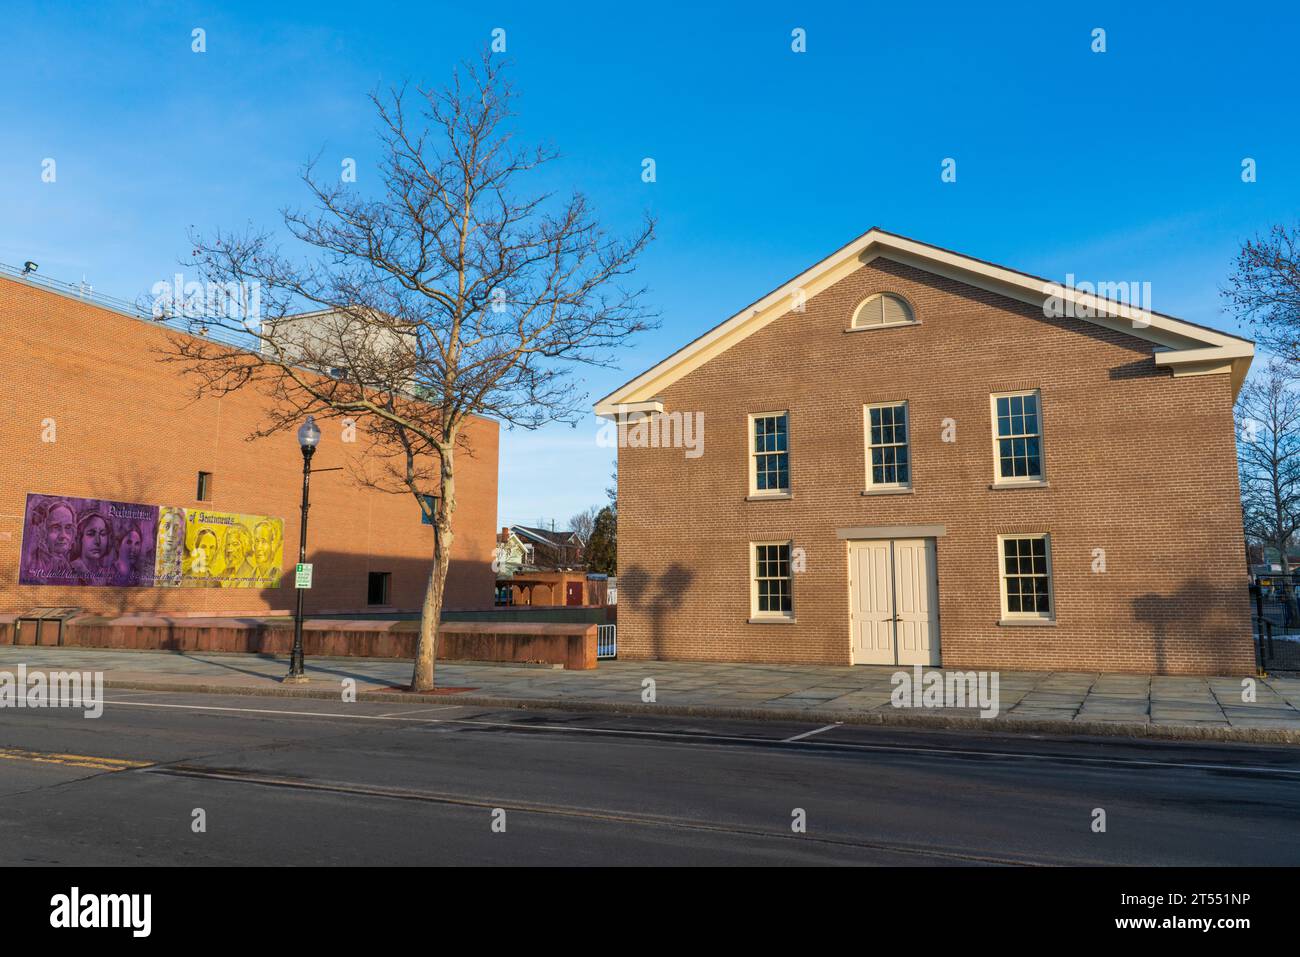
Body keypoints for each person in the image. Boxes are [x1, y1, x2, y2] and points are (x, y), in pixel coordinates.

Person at [23, 497, 77, 584]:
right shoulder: (31, 565)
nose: (63, 535)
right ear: (41, 530)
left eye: (68, 528)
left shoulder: (65, 566)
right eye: (56, 527)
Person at [70, 510, 113, 584]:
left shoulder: (108, 576)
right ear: (80, 538)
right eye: (91, 534)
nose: (98, 541)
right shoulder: (70, 570)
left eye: (102, 534)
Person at [154, 506, 185, 586]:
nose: (171, 534)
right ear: (158, 528)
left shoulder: (185, 569)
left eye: (176, 528)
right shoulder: (149, 564)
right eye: (166, 527)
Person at [251, 519, 282, 587]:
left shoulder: (278, 575)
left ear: (272, 544)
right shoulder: (251, 575)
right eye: (257, 541)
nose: (259, 548)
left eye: (264, 541)